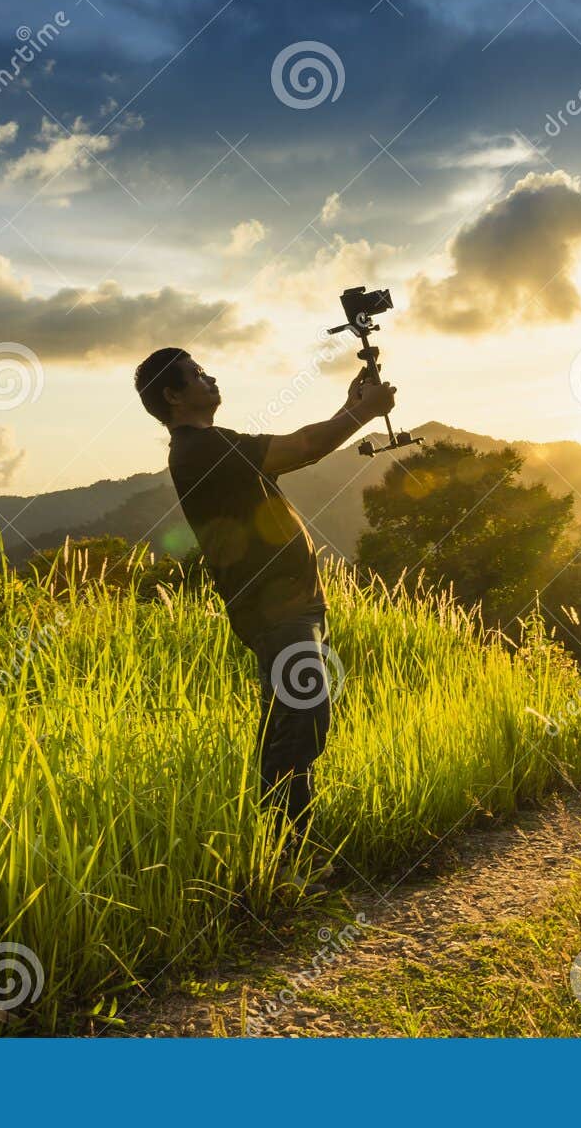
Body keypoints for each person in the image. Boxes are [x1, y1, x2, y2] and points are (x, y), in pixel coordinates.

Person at [133, 346, 396, 865]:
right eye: (197, 374)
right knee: (304, 716)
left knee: (288, 718)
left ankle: (283, 854)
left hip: (293, 605)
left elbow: (303, 449)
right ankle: (287, 858)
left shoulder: (213, 446)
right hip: (274, 611)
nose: (211, 376)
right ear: (173, 395)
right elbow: (302, 447)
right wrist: (362, 413)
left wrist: (350, 404)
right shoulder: (198, 449)